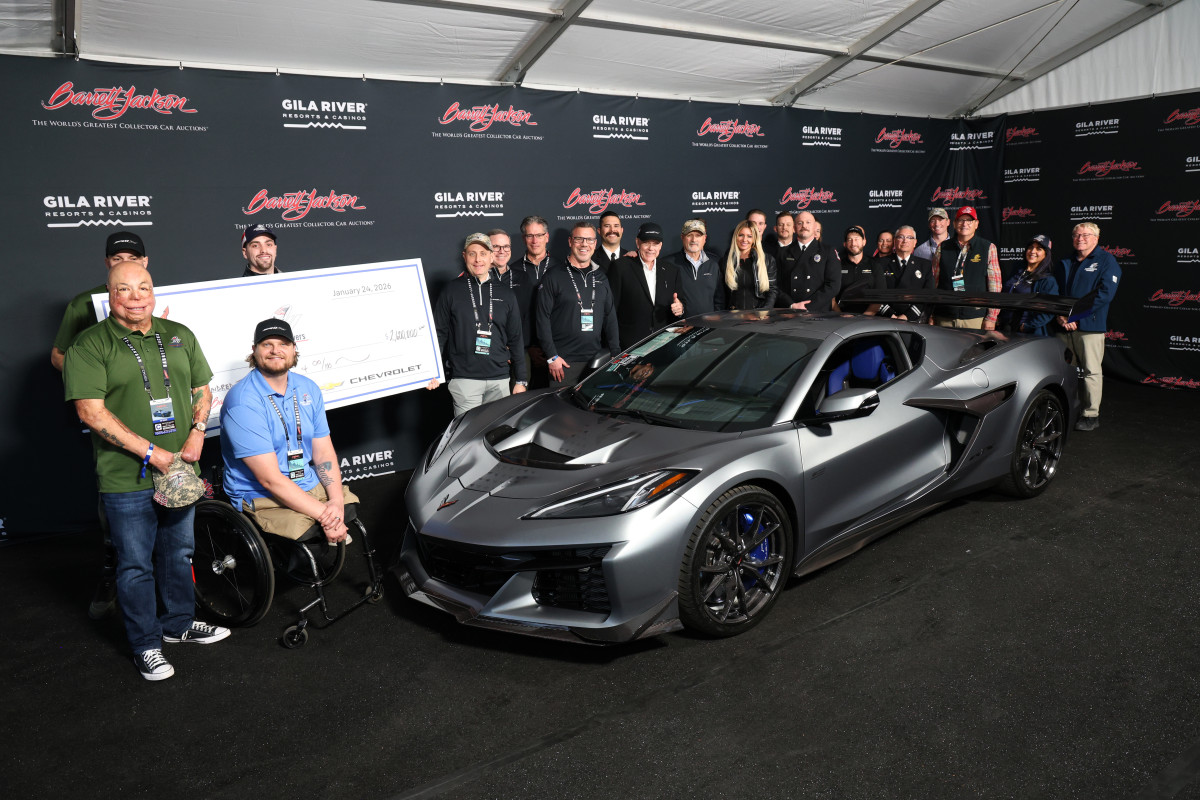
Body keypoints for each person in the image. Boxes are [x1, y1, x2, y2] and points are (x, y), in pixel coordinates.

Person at [64, 262, 228, 681]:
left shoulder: (179, 335)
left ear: (154, 291)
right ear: (110, 293)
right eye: (125, 289)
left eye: (144, 288)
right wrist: (151, 452)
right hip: (126, 476)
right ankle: (146, 644)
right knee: (135, 564)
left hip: (181, 467)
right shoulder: (90, 344)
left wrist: (196, 434)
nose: (136, 297)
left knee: (179, 551)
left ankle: (178, 625)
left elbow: (202, 388)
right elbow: (90, 412)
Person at [51, 231, 150, 620]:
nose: (124, 262)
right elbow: (59, 356)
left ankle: (177, 582)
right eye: (116, 257)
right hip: (113, 414)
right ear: (106, 264)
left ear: (146, 262)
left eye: (133, 257)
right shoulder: (84, 303)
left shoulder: (160, 296)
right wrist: (94, 383)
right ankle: (113, 575)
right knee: (119, 506)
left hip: (163, 417)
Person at [220, 317, 357, 551]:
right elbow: (270, 479)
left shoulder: (307, 388)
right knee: (312, 524)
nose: (276, 350)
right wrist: (328, 516)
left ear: (294, 350)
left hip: (306, 481)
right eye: (267, 344)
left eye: (283, 344)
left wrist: (335, 502)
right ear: (254, 351)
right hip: (262, 495)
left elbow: (323, 452)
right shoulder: (242, 402)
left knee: (348, 503)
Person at [428, 233, 527, 415]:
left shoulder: (506, 293)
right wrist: (431, 370)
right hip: (465, 379)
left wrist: (521, 380)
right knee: (466, 438)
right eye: (472, 253)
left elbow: (516, 338)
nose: (478, 259)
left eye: (483, 253)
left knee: (496, 435)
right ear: (464, 256)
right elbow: (439, 333)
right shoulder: (451, 291)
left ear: (491, 257)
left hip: (500, 379)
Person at [1053, 222, 1121, 431]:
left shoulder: (1106, 261)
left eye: (1086, 235)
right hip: (1064, 327)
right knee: (1063, 371)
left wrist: (1076, 317)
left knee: (1091, 371)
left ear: (1096, 238)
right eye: (1076, 234)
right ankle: (1066, 409)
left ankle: (1090, 415)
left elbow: (1104, 295)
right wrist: (1060, 315)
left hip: (1089, 327)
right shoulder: (1066, 261)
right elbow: (1055, 291)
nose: (1080, 238)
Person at [536, 222, 620, 387]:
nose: (584, 244)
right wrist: (552, 356)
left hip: (596, 362)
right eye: (579, 239)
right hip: (563, 363)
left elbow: (610, 317)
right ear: (570, 241)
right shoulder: (553, 276)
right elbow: (542, 318)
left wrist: (615, 353)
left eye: (589, 240)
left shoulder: (601, 277)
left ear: (595, 244)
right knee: (562, 412)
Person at [608, 222, 685, 347]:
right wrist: (613, 346)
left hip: (663, 343)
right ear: (637, 243)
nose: (651, 248)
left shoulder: (671, 270)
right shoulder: (621, 267)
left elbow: (681, 302)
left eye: (655, 244)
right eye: (646, 243)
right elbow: (610, 310)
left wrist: (680, 309)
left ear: (661, 245)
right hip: (630, 345)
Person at [930, 206, 1000, 330]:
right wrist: (930, 312)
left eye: (969, 220)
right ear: (955, 223)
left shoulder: (988, 248)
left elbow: (995, 285)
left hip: (974, 318)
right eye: (961, 220)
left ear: (976, 224)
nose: (965, 224)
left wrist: (991, 317)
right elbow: (934, 283)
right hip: (944, 316)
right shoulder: (942, 248)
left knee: (974, 350)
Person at [515, 215, 562, 389]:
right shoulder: (512, 270)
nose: (535, 241)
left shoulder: (561, 268)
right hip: (524, 349)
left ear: (547, 237)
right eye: (530, 236)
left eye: (539, 235)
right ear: (523, 238)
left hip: (556, 349)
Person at [997, 234, 1058, 337]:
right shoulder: (1017, 270)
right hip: (1004, 328)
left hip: (1025, 333)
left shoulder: (1047, 280)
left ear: (1046, 254)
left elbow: (1050, 309)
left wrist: (1028, 326)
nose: (1033, 251)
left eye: (1038, 249)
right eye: (1031, 247)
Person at [780, 211, 839, 312]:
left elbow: (833, 285)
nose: (804, 226)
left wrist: (808, 307)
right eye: (800, 223)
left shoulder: (828, 251)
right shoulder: (783, 252)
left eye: (808, 222)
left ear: (815, 226)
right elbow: (776, 285)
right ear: (794, 228)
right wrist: (791, 305)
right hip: (791, 312)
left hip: (819, 312)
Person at [663, 219, 725, 314]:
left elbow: (720, 299)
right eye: (689, 235)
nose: (694, 240)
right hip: (681, 326)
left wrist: (716, 319)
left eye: (698, 235)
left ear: (704, 238)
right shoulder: (668, 263)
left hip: (709, 325)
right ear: (682, 237)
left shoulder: (715, 263)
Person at [873, 225, 934, 322]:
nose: (905, 241)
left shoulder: (925, 265)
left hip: (913, 320)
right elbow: (875, 293)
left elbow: (927, 295)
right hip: (886, 319)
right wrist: (890, 314)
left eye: (909, 237)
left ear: (915, 242)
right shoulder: (880, 263)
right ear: (895, 241)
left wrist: (907, 316)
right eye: (901, 237)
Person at [723, 219, 777, 311]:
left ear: (754, 238)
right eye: (741, 235)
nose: (744, 239)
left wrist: (764, 311)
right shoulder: (726, 261)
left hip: (758, 317)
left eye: (749, 236)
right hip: (733, 317)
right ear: (736, 237)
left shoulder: (767, 260)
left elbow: (772, 290)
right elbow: (722, 294)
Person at [834, 225, 875, 314]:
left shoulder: (874, 264)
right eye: (849, 240)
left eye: (857, 239)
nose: (853, 243)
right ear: (844, 244)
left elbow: (879, 298)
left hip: (869, 320)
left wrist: (865, 318)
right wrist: (840, 315)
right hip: (841, 318)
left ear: (864, 242)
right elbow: (831, 296)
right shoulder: (837, 265)